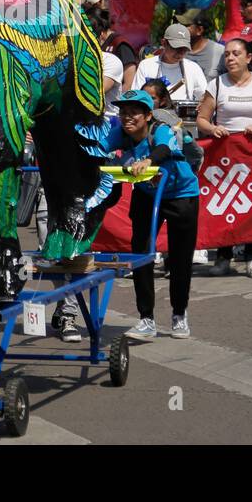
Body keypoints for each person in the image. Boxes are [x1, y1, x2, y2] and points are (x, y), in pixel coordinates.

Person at [107, 89, 200, 340]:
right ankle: (146, 318)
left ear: (148, 115)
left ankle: (179, 314)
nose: (127, 117)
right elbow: (97, 146)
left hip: (182, 194)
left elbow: (162, 149)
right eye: (123, 111)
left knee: (180, 258)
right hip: (147, 195)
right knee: (141, 255)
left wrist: (148, 161)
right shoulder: (120, 133)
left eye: (134, 112)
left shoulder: (159, 129)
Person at [197, 29, 252, 278]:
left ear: (248, 58)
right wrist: (214, 128)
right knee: (225, 205)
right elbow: (201, 119)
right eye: (226, 54)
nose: (230, 58)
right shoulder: (216, 84)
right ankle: (223, 257)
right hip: (223, 157)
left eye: (236, 54)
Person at [131, 23, 208, 102]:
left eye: (184, 49)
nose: (180, 53)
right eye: (176, 48)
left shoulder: (193, 68)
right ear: (164, 43)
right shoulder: (146, 65)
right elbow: (136, 98)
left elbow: (205, 98)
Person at [179, 11, 224, 82]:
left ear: (199, 30)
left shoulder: (220, 51)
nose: (180, 28)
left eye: (186, 25)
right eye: (179, 24)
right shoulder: (174, 51)